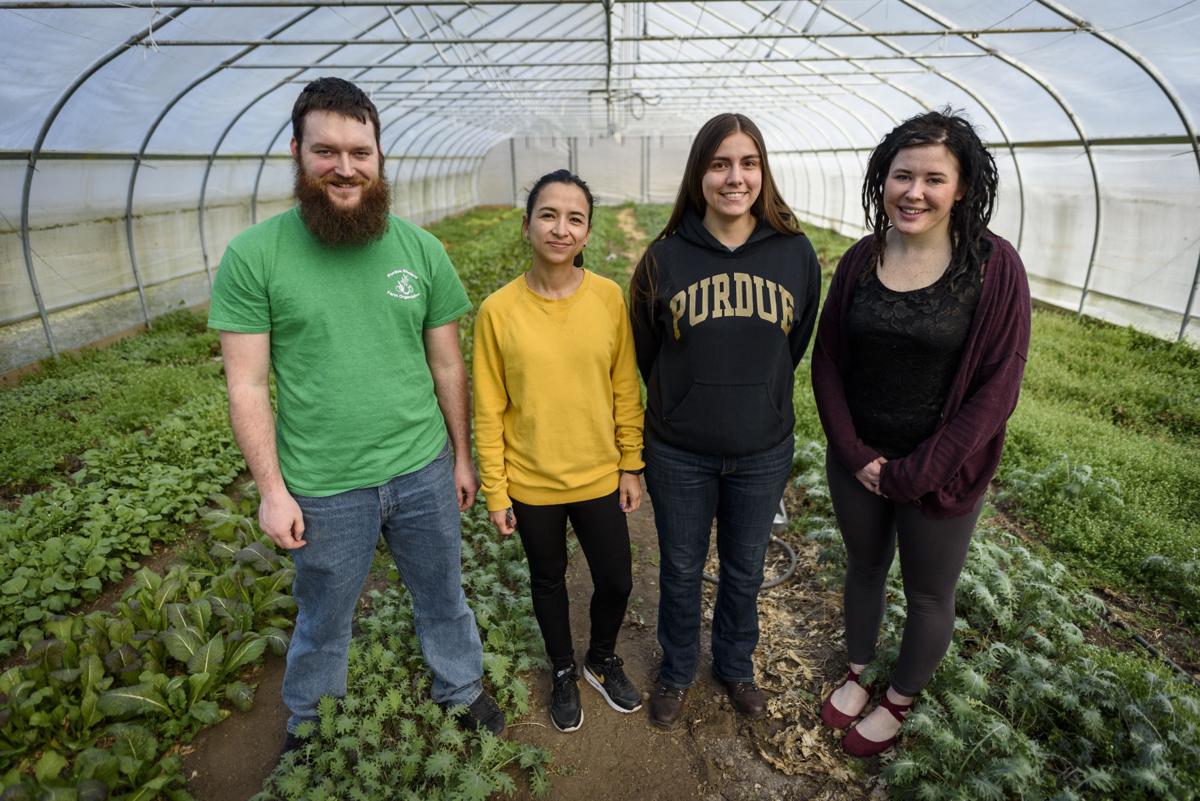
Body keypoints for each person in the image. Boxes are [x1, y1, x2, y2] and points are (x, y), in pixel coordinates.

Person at [207, 77, 503, 754]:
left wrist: (461, 456)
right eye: (327, 150)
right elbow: (247, 384)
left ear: (379, 156)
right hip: (324, 481)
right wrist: (272, 491)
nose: (345, 167)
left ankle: (459, 689)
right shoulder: (256, 256)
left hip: (422, 468)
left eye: (360, 151)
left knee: (443, 594)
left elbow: (449, 365)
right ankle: (311, 720)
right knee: (322, 614)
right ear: (296, 152)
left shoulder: (419, 249)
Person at [811, 109, 1031, 757]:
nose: (914, 191)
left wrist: (917, 471)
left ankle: (899, 697)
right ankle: (857, 672)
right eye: (901, 175)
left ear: (962, 188)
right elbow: (826, 360)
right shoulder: (860, 260)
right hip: (858, 461)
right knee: (864, 567)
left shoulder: (994, 270)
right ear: (883, 181)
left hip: (944, 470)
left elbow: (998, 389)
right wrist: (854, 452)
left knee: (929, 590)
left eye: (934, 178)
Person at [630, 113, 821, 729]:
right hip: (679, 452)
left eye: (747, 163)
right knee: (681, 567)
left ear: (763, 173)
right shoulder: (663, 259)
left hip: (761, 450)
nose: (734, 178)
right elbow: (647, 352)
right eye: (719, 164)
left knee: (746, 567)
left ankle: (735, 667)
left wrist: (755, 400)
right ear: (699, 175)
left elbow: (792, 346)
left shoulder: (795, 254)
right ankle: (678, 668)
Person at [473, 170, 645, 733]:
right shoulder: (498, 311)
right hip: (532, 482)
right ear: (527, 226)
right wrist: (496, 490)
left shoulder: (608, 298)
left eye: (575, 218)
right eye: (549, 215)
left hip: (597, 474)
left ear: (588, 232)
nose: (561, 228)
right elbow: (490, 408)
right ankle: (564, 669)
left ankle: (600, 656)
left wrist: (631, 463)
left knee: (616, 579)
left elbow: (625, 386)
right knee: (546, 580)